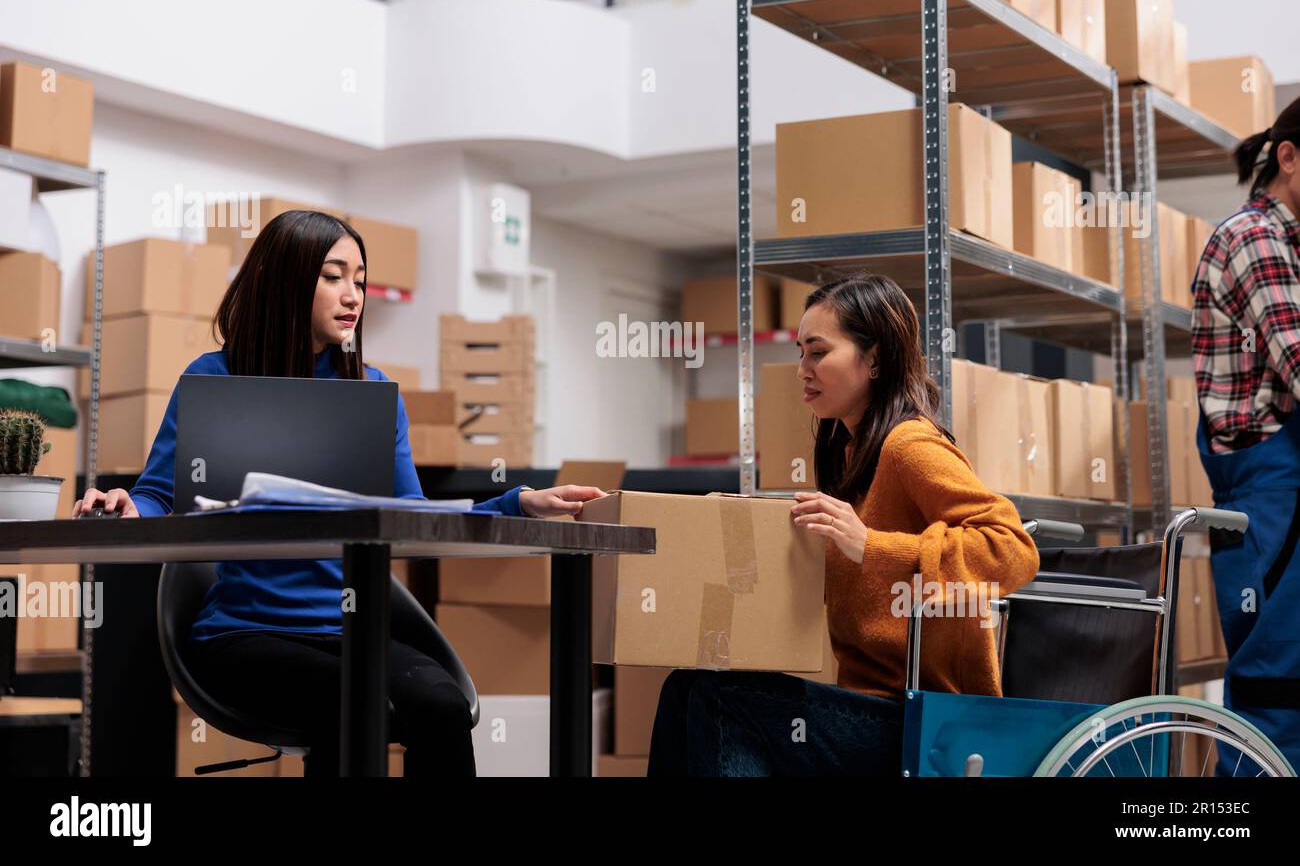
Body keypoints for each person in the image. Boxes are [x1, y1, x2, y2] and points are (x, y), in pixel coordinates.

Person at [73, 210, 605, 777]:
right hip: (243, 635)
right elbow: (162, 493)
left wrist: (514, 502)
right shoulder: (214, 378)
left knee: (443, 704)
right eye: (333, 276)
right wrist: (130, 503)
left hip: (349, 629)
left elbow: (414, 517)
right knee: (355, 705)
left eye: (360, 278)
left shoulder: (371, 391)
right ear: (285, 281)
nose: (353, 295)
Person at [647, 272, 1038, 776]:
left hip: (928, 719)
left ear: (874, 358)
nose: (803, 369)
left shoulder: (909, 446)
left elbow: (1012, 548)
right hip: (869, 708)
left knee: (724, 698)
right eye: (800, 353)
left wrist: (872, 546)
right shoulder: (853, 456)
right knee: (688, 684)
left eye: (818, 352)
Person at [1190, 94, 1300, 776]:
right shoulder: (1254, 239)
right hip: (1270, 497)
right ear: (1289, 157)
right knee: (1278, 686)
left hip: (1283, 488)